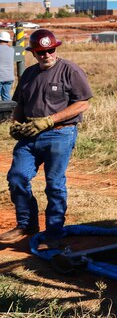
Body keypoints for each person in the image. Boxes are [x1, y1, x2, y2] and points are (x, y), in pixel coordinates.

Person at [1, 29, 92, 246]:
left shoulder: (70, 70)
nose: (47, 55)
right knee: (17, 177)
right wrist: (16, 124)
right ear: (33, 53)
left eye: (50, 50)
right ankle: (27, 224)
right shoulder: (29, 74)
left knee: (54, 184)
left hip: (60, 134)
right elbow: (20, 103)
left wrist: (50, 120)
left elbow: (82, 103)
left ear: (55, 49)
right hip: (30, 135)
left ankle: (54, 233)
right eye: (41, 52)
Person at [0, 30, 14, 102]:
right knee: (6, 96)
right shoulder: (12, 50)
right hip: (9, 77)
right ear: (8, 41)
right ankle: (8, 109)